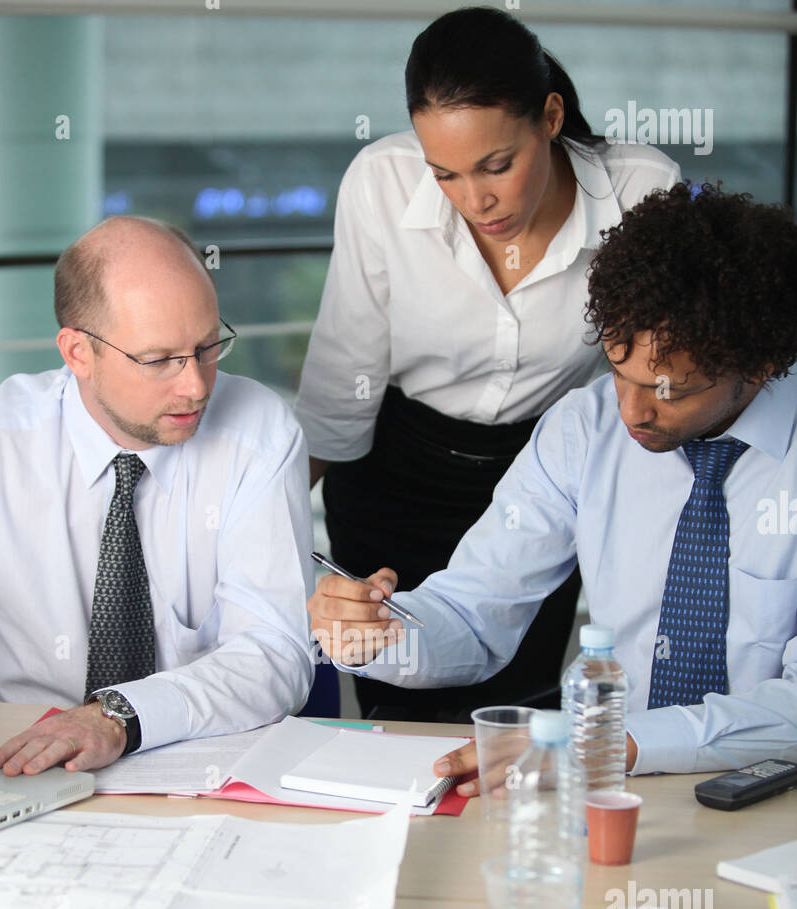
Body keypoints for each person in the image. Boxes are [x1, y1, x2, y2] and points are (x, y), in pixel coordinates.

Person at [307, 184, 797, 789]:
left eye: (669, 389)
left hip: (773, 794)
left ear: (761, 365)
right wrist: (378, 632)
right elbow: (474, 610)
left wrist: (601, 744)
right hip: (606, 784)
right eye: (619, 372)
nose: (632, 412)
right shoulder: (583, 429)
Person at [296, 5, 679, 721]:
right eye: (446, 174)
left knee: (519, 717)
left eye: (497, 165)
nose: (476, 200)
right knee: (401, 704)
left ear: (552, 116)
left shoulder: (639, 192)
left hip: (535, 480)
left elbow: (662, 373)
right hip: (394, 479)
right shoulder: (379, 184)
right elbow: (337, 393)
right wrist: (256, 534)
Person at [0, 216, 314, 774]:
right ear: (78, 352)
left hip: (200, 755)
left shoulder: (258, 432)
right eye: (159, 360)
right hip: (21, 759)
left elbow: (276, 653)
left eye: (208, 347)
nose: (197, 385)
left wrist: (117, 717)